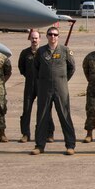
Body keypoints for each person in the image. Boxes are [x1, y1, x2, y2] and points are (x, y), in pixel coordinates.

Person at [31, 27, 77, 156]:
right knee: (42, 117)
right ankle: (39, 145)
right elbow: (36, 69)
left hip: (60, 88)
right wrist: (43, 80)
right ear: (47, 36)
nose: (53, 37)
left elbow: (72, 68)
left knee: (65, 115)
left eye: (55, 34)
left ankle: (70, 145)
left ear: (58, 36)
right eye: (50, 34)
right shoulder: (41, 51)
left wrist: (62, 79)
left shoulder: (65, 51)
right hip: (44, 88)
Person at [17, 29, 47, 143]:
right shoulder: (25, 53)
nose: (34, 40)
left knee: (45, 110)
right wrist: (30, 76)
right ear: (29, 39)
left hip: (42, 85)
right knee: (26, 110)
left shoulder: (45, 52)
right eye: (32, 38)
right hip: (29, 84)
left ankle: (48, 133)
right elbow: (21, 67)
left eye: (36, 38)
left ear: (40, 39)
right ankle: (25, 134)